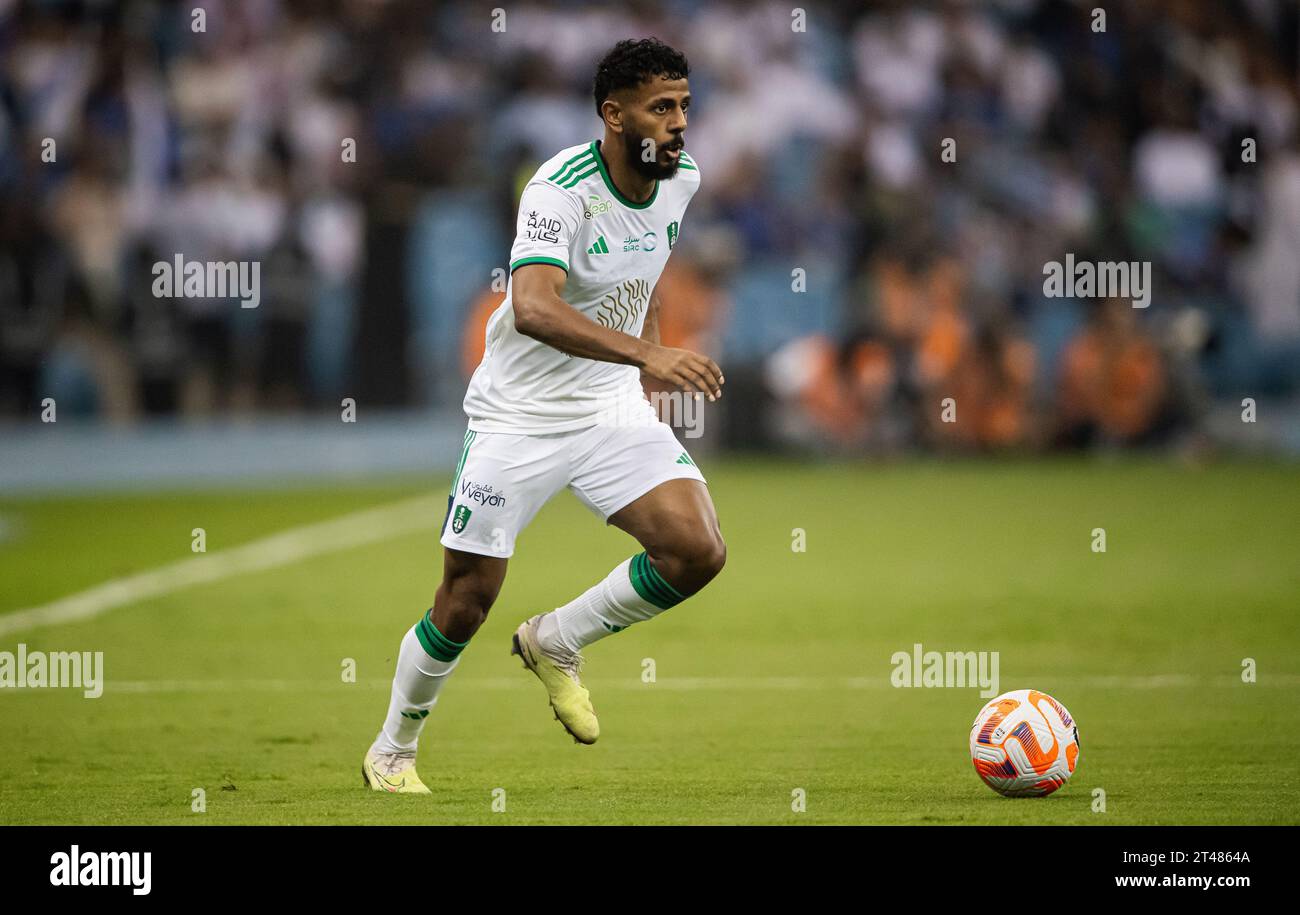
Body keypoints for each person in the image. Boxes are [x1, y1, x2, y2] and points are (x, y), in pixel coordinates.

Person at [362, 38, 727, 792]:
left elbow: (645, 273)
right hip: (519, 416)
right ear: (614, 113)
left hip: (610, 407)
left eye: (684, 105)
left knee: (697, 549)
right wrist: (649, 356)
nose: (679, 123)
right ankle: (392, 750)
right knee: (466, 601)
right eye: (662, 108)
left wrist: (643, 365)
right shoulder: (558, 189)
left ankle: (557, 639)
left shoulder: (681, 180)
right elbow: (530, 307)